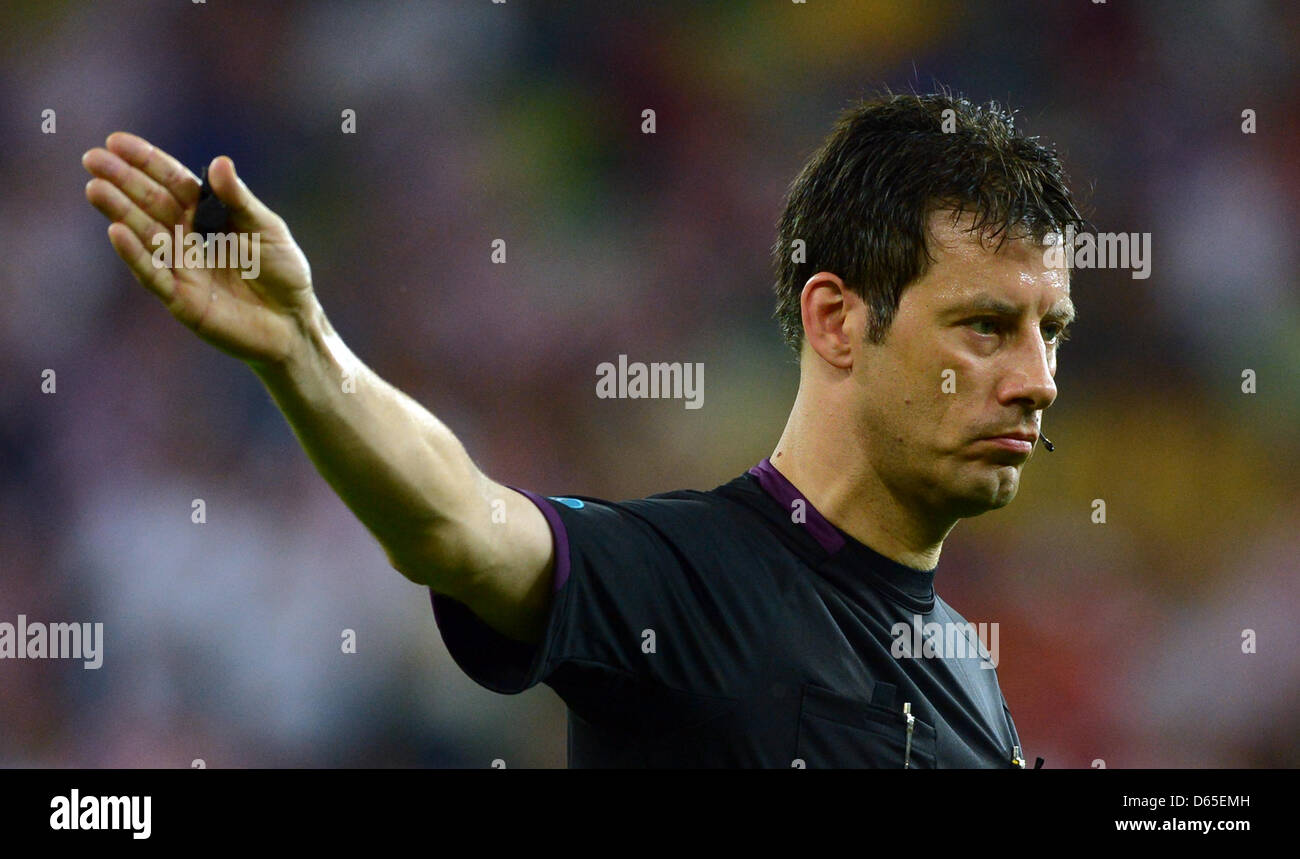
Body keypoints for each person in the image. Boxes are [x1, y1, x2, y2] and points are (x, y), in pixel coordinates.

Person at [81, 89, 1083, 767]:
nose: (1036, 381)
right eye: (986, 326)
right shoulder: (686, 581)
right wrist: (302, 347)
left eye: (1051, 333)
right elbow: (459, 525)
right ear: (835, 320)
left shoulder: (963, 664)